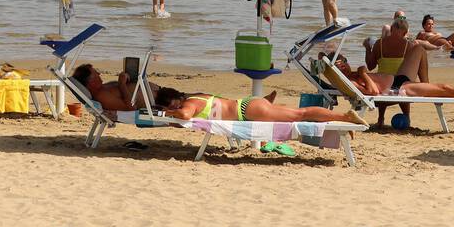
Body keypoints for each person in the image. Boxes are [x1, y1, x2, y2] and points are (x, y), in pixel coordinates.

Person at [155, 87, 364, 126]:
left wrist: (166, 112)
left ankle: (344, 117)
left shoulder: (190, 103)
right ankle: (267, 101)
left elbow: (184, 114)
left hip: (247, 112)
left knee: (300, 114)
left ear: (173, 101)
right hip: (248, 104)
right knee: (295, 114)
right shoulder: (197, 95)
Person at [72, 63, 161, 112]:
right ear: (91, 82)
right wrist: (122, 84)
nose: (99, 74)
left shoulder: (102, 89)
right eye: (96, 73)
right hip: (159, 101)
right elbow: (131, 108)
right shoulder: (101, 96)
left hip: (158, 93)